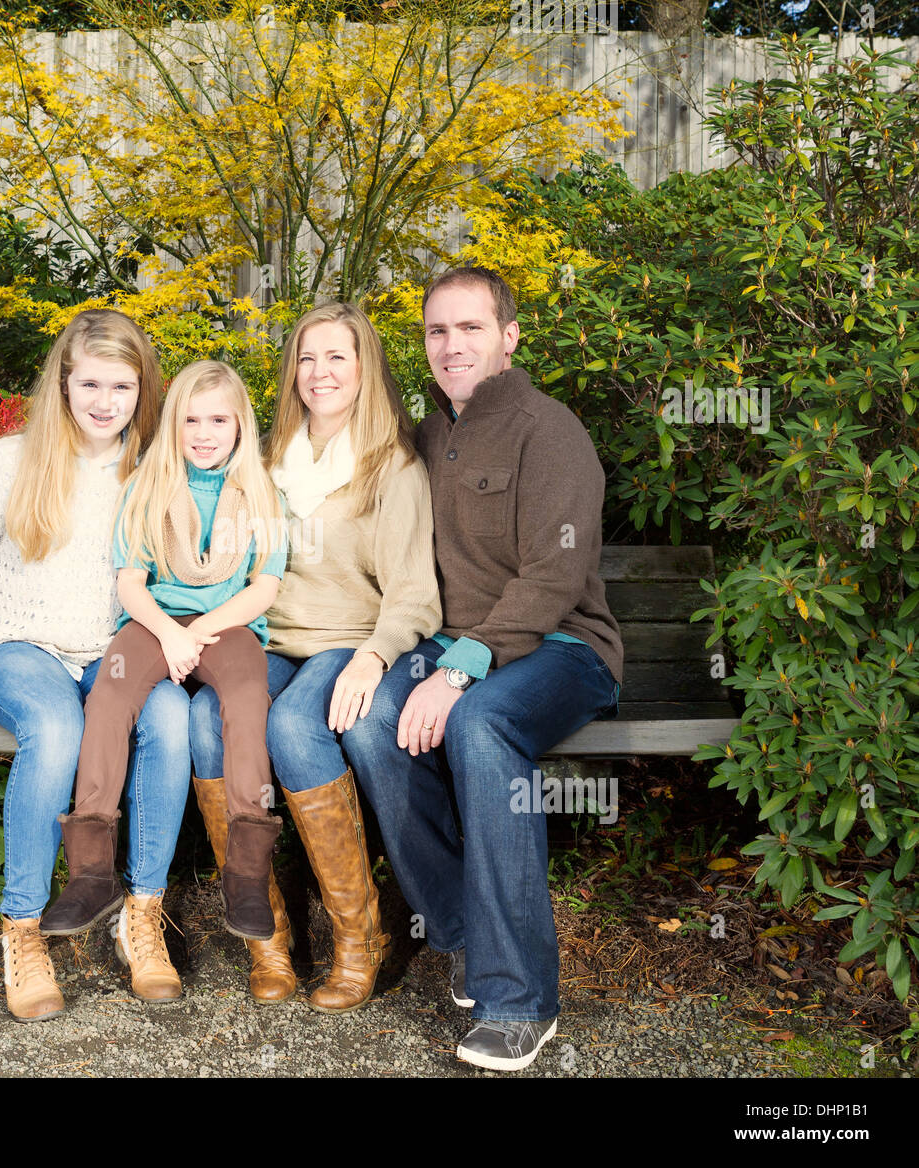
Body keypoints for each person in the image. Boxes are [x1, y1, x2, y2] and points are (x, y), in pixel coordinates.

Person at [345, 267, 623, 1070]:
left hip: (562, 649)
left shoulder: (550, 430)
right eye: (437, 331)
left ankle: (519, 1000)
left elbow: (553, 577)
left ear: (508, 336)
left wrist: (459, 671)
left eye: (470, 328)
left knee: (479, 721)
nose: (451, 345)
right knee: (365, 721)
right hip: (454, 646)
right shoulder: (429, 436)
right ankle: (467, 928)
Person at [0, 310, 191, 1021]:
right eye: (90, 382)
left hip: (112, 652)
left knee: (167, 717)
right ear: (63, 382)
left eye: (122, 386)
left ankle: (143, 915)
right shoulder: (12, 459)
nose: (105, 401)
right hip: (18, 650)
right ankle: (24, 930)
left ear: (143, 390)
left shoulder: (155, 464)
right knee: (55, 725)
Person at [189, 302, 441, 1011]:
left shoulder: (394, 466)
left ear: (366, 369)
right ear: (291, 371)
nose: (321, 371)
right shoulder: (264, 461)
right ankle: (265, 942)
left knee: (295, 726)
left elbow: (416, 593)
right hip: (267, 640)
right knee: (208, 720)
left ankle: (359, 941)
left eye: (337, 357)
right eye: (307, 357)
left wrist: (373, 658)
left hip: (346, 642)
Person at [42, 360, 288, 970]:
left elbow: (264, 588)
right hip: (152, 623)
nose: (204, 433)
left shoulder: (260, 493)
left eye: (218, 421)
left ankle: (248, 874)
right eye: (190, 420)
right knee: (108, 700)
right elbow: (130, 583)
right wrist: (167, 634)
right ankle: (93, 871)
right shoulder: (148, 487)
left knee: (247, 701)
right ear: (173, 424)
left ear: (239, 426)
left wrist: (198, 634)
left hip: (225, 629)